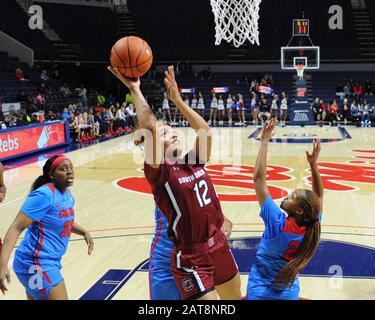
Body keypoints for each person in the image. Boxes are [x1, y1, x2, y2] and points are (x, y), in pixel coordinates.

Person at [108, 65, 241, 300]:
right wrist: (134, 88)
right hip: (185, 252)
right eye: (166, 134)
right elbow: (148, 129)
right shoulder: (161, 174)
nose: (174, 134)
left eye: (173, 131)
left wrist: (178, 100)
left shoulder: (193, 160)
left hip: (216, 245)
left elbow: (205, 131)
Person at [247, 119, 323, 300]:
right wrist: (313, 165)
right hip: (289, 293)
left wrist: (264, 141)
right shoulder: (311, 226)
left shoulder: (277, 223)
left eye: (292, 197)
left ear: (299, 211)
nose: (287, 196)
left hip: (260, 291)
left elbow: (259, 179)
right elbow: (318, 197)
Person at [0, 155, 94, 299]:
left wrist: (83, 232)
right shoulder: (44, 194)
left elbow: (62, 221)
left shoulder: (66, 194)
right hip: (35, 264)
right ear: (51, 175)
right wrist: (3, 265)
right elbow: (16, 227)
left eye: (70, 168)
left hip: (47, 261)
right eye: (63, 169)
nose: (69, 171)